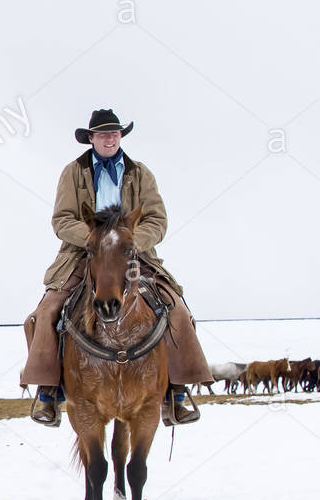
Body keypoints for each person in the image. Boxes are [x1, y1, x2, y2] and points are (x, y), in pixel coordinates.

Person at [20, 109, 212, 426]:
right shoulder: (73, 172)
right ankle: (48, 393)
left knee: (175, 307)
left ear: (120, 136)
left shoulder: (141, 173)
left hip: (132, 255)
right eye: (103, 134)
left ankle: (175, 393)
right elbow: (63, 219)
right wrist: (97, 239)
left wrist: (129, 241)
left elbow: (157, 219)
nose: (110, 138)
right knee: (47, 311)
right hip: (84, 254)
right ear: (91, 138)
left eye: (115, 133)